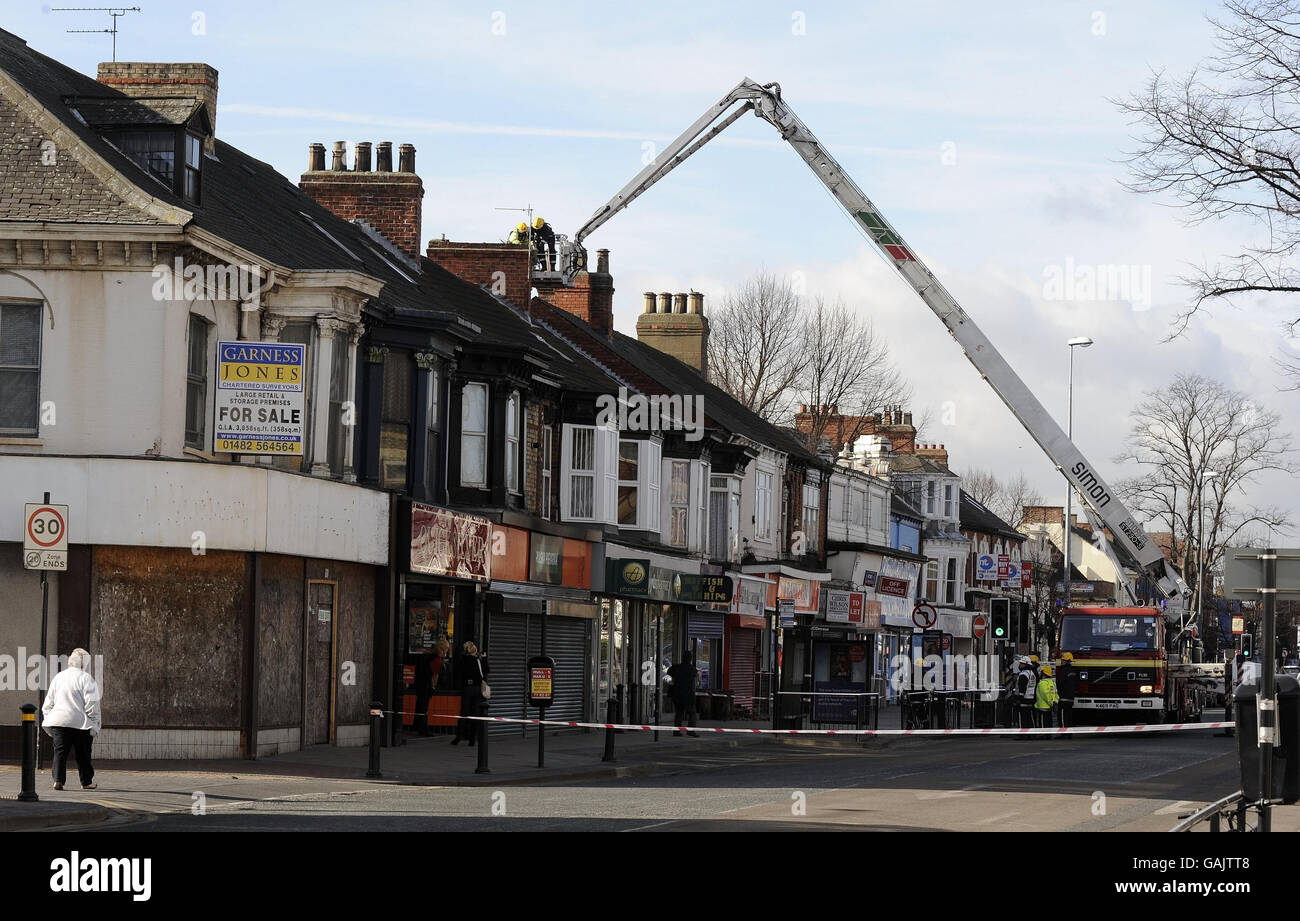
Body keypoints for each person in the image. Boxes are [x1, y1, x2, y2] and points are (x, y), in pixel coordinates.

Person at [41, 648, 101, 791]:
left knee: (60, 753)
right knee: (83, 755)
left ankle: (58, 780)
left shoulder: (59, 677)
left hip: (59, 721)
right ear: (83, 664)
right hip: (81, 723)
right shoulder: (86, 678)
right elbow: (92, 704)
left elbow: (48, 703)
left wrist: (49, 718)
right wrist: (94, 722)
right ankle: (86, 782)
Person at [451, 641, 490, 746]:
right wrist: (484, 658)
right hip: (477, 689)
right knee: (475, 713)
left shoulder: (463, 660)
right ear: (474, 649)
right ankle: (472, 739)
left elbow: (460, 674)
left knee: (464, 713)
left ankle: (458, 737)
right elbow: (486, 671)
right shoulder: (477, 660)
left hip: (467, 689)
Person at [667, 651, 699, 737]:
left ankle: (676, 731)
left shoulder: (676, 668)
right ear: (690, 659)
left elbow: (669, 672)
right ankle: (690, 731)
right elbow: (695, 676)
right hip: (688, 695)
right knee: (692, 714)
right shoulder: (692, 669)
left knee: (679, 713)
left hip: (677, 695)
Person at [1014, 656, 1037, 728]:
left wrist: (1019, 698)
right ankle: (1031, 734)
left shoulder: (1023, 674)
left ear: (1026, 664)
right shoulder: (1032, 673)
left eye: (1021, 663)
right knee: (1029, 717)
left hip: (1023, 699)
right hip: (1031, 698)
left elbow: (1022, 687)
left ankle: (1022, 734)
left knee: (1022, 718)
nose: (1020, 665)